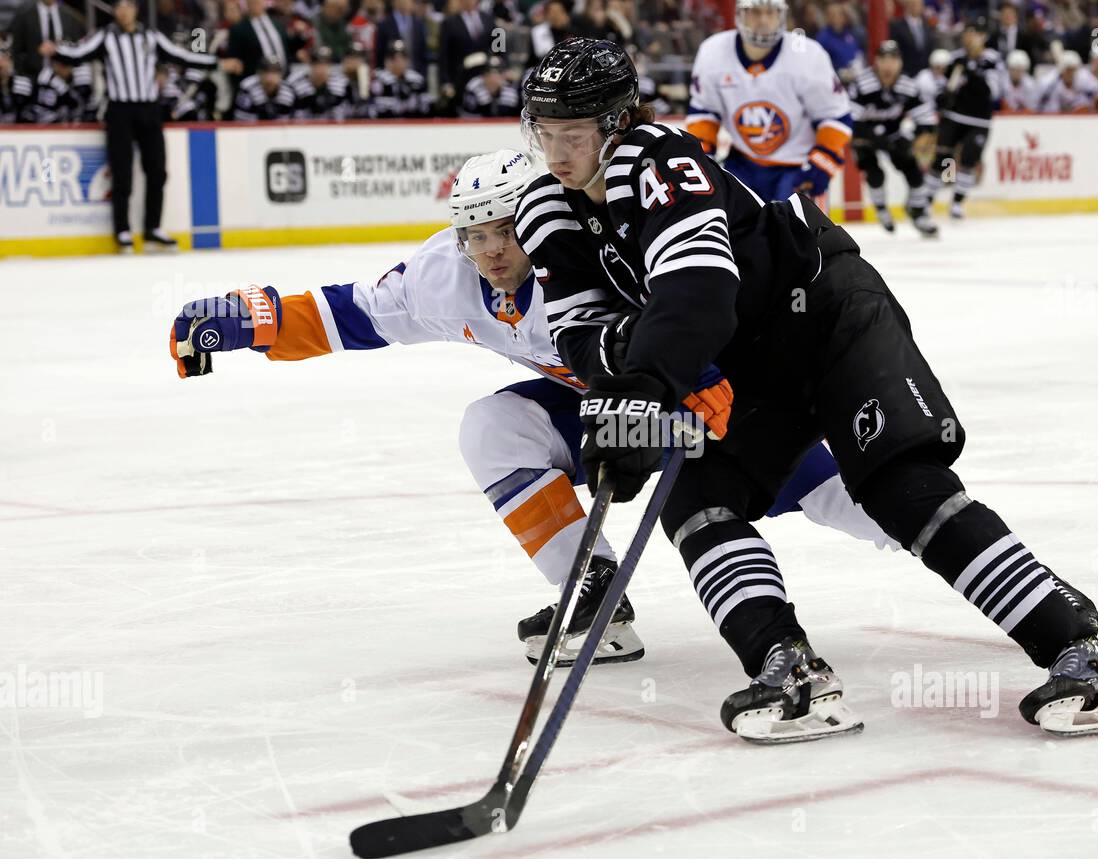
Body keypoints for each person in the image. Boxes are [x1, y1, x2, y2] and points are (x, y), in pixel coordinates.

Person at [516, 37, 1098, 741]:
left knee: (899, 487)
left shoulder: (664, 162)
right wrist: (624, 396)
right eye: (542, 132)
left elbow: (698, 292)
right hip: (750, 359)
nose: (554, 153)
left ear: (615, 125)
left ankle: (1081, 651)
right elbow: (582, 334)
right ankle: (788, 672)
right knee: (696, 496)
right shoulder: (546, 206)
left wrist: (642, 382)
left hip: (826, 311)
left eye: (571, 134)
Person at [168, 148, 896, 667]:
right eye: (474, 233)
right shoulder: (444, 276)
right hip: (605, 409)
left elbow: (698, 302)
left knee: (845, 499)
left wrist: (701, 379)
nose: (487, 250)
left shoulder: (595, 246)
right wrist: (251, 319)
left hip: (715, 392)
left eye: (504, 230)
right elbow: (353, 314)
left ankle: (952, 548)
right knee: (491, 427)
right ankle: (593, 592)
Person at [45, 0, 240, 252]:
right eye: (119, 7)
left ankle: (152, 228)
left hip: (149, 109)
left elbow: (181, 55)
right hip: (120, 110)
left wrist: (216, 63)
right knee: (122, 173)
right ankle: (122, 230)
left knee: (157, 170)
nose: (123, 11)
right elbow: (78, 54)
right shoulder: (105, 37)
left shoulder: (150, 36)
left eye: (127, 6)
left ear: (136, 10)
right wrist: (54, 50)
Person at [686, 0, 852, 204]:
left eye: (770, 13)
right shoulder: (713, 51)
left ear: (781, 16)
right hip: (742, 165)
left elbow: (836, 117)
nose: (763, 20)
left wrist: (821, 163)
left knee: (800, 234)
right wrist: (702, 160)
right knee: (734, 233)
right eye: (755, 12)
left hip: (797, 166)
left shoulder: (807, 54)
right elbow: (704, 112)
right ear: (740, 15)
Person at [847, 40, 938, 237]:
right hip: (864, 134)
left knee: (914, 172)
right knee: (875, 174)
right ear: (876, 62)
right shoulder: (863, 84)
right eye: (884, 60)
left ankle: (918, 213)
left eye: (893, 60)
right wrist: (875, 137)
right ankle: (881, 209)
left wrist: (917, 135)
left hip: (894, 133)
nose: (889, 65)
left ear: (900, 63)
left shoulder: (908, 85)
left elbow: (925, 117)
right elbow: (850, 119)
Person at [922, 15, 1000, 220]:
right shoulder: (957, 58)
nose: (968, 37)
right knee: (944, 159)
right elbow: (946, 87)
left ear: (983, 37)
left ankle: (957, 203)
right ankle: (928, 201)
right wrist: (943, 97)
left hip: (979, 119)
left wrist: (972, 70)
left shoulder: (990, 59)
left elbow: (992, 90)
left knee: (968, 160)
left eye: (973, 33)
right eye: (967, 33)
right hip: (955, 117)